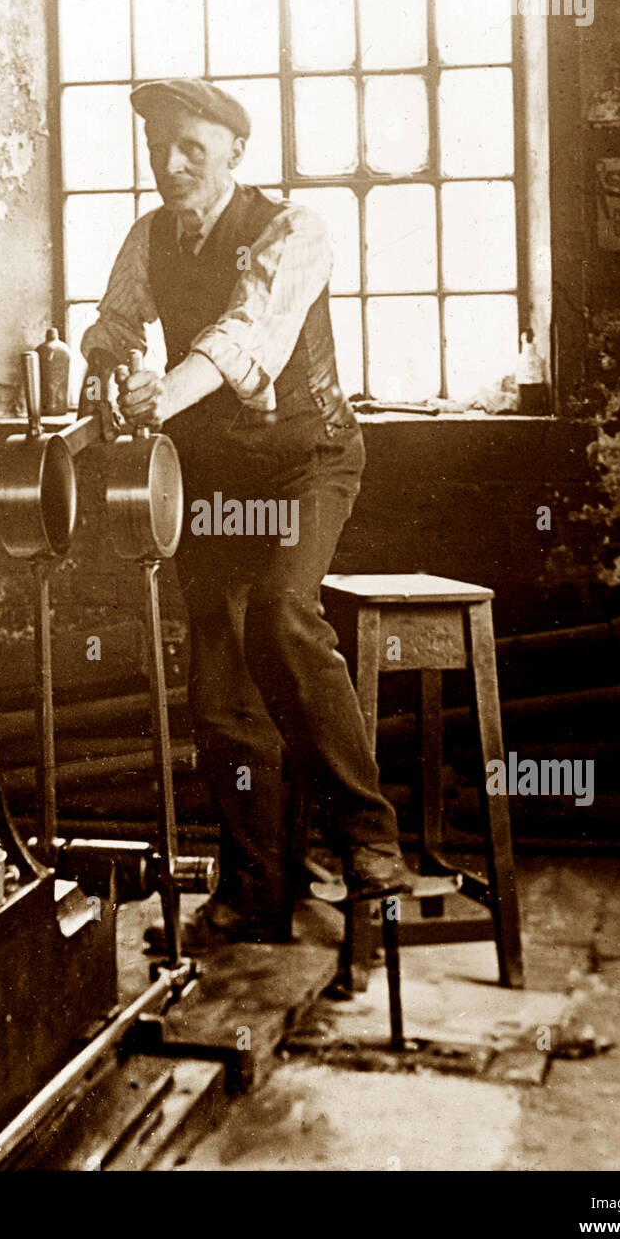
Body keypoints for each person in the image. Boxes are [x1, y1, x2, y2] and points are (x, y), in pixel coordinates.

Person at [79, 78, 411, 950]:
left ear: (233, 150)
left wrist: (163, 393)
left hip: (310, 460)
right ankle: (256, 886)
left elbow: (245, 332)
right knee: (219, 685)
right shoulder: (150, 236)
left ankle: (368, 838)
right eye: (160, 148)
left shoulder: (290, 229)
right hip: (219, 477)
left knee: (279, 613)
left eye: (192, 146)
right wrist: (105, 364)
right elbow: (114, 321)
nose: (172, 163)